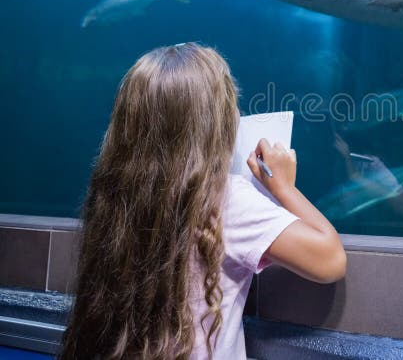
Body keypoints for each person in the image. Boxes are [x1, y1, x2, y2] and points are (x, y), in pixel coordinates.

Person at [59, 42, 346, 360]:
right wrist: (284, 188)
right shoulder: (225, 199)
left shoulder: (115, 195)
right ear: (219, 124)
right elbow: (330, 261)